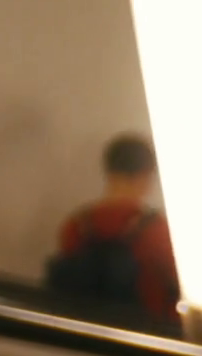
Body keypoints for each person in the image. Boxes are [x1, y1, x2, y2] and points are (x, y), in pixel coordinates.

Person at [46, 133, 180, 325]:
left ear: (108, 172)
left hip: (82, 337)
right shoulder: (157, 230)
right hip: (143, 339)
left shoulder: (76, 226)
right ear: (146, 176)